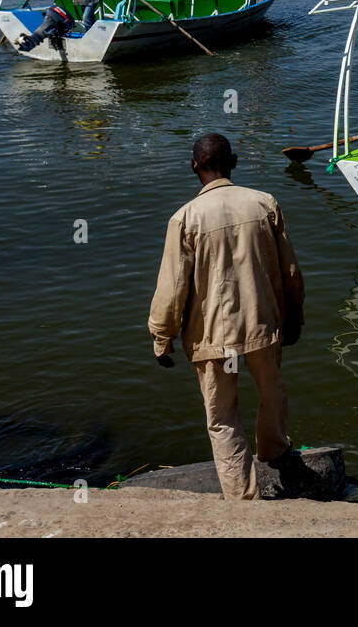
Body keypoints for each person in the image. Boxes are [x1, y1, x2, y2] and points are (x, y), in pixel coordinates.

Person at [147, 133, 312, 500]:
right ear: (233, 162)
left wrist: (162, 337)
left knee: (222, 420)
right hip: (261, 327)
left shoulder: (184, 219)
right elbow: (290, 272)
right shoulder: (264, 204)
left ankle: (242, 499)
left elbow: (172, 289)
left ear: (195, 167)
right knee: (272, 393)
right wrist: (295, 317)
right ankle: (273, 449)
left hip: (212, 340)